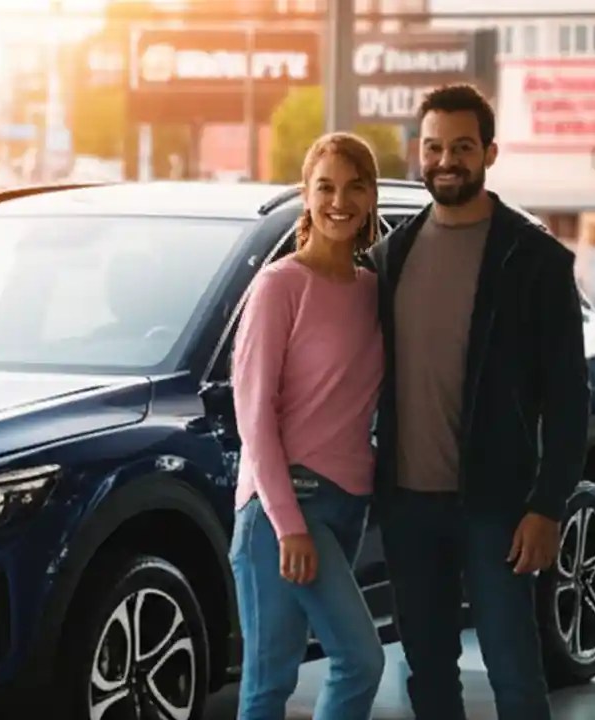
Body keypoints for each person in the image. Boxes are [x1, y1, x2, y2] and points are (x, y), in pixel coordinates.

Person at [367, 83, 589, 720]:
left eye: (462, 147)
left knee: (515, 673)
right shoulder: (392, 254)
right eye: (434, 147)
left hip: (497, 507)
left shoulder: (535, 259)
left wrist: (548, 506)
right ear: (419, 151)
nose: (446, 161)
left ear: (489, 152)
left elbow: (568, 398)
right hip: (407, 507)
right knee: (428, 676)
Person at [229, 132, 386, 720]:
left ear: (370, 199)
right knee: (342, 665)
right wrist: (288, 524)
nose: (339, 201)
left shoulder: (374, 290)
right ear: (307, 195)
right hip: (282, 510)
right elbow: (254, 415)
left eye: (353, 188)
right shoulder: (279, 287)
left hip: (348, 505)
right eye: (325, 187)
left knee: (290, 671)